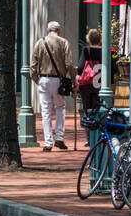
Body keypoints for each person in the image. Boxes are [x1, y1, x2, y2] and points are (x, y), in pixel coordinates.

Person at [30, 20, 75, 151]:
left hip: (43, 79)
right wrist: (73, 79)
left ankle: (48, 142)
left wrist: (36, 79)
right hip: (58, 80)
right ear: (58, 31)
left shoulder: (39, 42)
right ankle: (59, 138)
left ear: (47, 30)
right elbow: (69, 64)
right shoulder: (64, 42)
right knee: (60, 107)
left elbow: (33, 63)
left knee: (46, 111)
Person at [76, 28, 103, 113]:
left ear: (88, 39)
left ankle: (88, 124)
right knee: (97, 108)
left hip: (87, 83)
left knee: (87, 108)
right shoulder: (104, 50)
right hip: (99, 83)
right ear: (100, 38)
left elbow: (80, 68)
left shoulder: (86, 50)